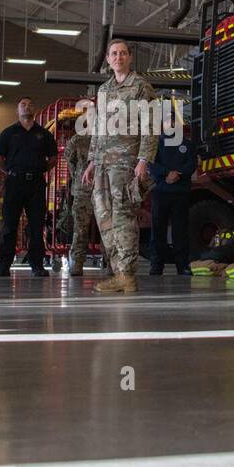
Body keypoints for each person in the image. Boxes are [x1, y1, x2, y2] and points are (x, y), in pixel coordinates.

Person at [82, 39, 158, 294]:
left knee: (123, 216)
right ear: (107, 58)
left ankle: (127, 274)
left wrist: (143, 161)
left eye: (123, 53)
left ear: (129, 57)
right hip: (103, 163)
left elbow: (151, 126)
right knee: (104, 217)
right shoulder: (104, 90)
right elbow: (97, 129)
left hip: (126, 163)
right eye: (114, 53)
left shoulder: (141, 87)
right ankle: (119, 272)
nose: (118, 57)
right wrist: (92, 161)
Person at [0, 97, 59, 277]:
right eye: (23, 104)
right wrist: (11, 171)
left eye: (30, 104)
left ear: (34, 109)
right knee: (9, 226)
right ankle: (4, 265)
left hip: (36, 184)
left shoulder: (44, 134)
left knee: (37, 226)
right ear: (17, 110)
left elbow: (53, 158)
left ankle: (37, 265)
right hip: (14, 182)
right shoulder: (8, 133)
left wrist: (40, 170)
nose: (27, 107)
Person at [148, 108, 197, 275]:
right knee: (158, 230)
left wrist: (178, 174)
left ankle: (182, 266)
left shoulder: (188, 144)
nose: (171, 124)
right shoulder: (155, 144)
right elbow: (151, 165)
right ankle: (156, 266)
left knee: (180, 231)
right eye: (168, 121)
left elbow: (191, 165)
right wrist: (166, 174)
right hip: (160, 192)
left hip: (180, 192)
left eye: (174, 121)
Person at [64, 97, 95, 276]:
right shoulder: (78, 139)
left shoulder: (107, 138)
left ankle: (110, 264)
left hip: (103, 191)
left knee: (107, 229)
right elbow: (71, 162)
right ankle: (77, 262)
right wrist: (78, 178)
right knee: (80, 229)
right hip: (82, 190)